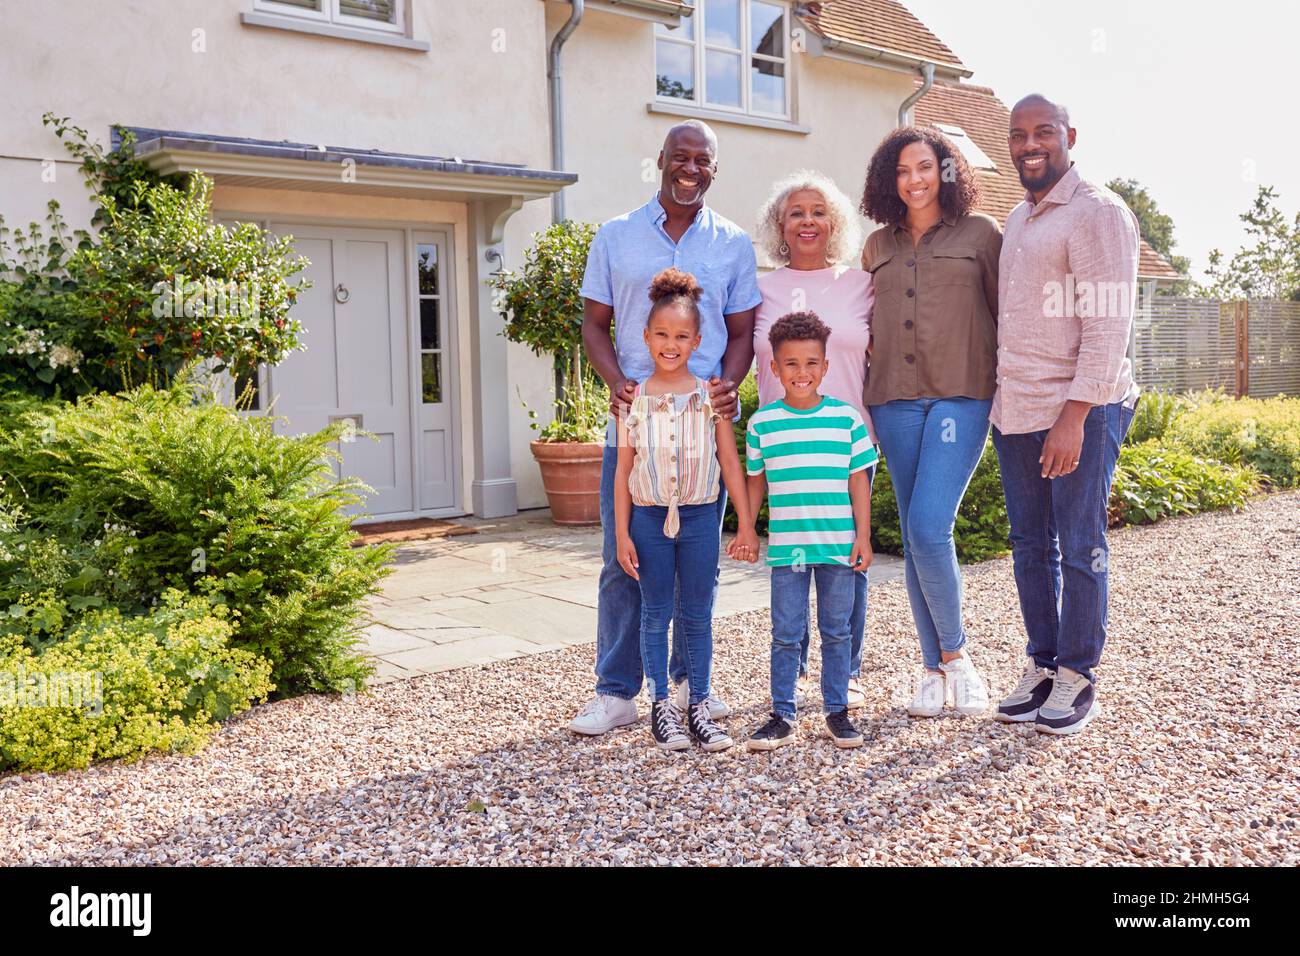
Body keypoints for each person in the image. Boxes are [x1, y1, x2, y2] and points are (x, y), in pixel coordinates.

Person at [569, 120, 761, 736]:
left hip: (703, 432)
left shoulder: (732, 243)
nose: (690, 168)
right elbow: (594, 325)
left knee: (696, 565)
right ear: (660, 160)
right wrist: (611, 381)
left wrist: (730, 383)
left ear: (713, 169)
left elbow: (741, 334)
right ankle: (618, 691)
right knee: (622, 557)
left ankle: (687, 687)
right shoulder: (616, 236)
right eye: (680, 157)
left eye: (702, 160)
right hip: (635, 423)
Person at [990, 95, 1140, 735]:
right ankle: (1044, 662)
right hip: (1017, 410)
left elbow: (1109, 326)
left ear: (1069, 136)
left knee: (1080, 546)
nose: (1030, 144)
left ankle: (1078, 674)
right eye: (1019, 134)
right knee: (1030, 546)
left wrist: (1076, 414)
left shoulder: (1097, 213)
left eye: (1043, 132)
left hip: (1082, 407)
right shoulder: (1020, 220)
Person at [859, 127, 1002, 717]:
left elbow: (1005, 313)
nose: (914, 179)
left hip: (960, 396)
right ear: (888, 182)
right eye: (901, 171)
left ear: (946, 170)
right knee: (919, 539)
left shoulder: (983, 234)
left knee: (925, 526)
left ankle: (959, 658)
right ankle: (932, 668)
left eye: (925, 167)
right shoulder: (874, 247)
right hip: (892, 399)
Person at [614, 269, 759, 752]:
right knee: (655, 613)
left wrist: (744, 523)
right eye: (661, 334)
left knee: (696, 614)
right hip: (649, 519)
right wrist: (621, 535)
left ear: (697, 340)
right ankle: (661, 706)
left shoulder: (710, 397)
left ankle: (697, 705)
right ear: (646, 337)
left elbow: (731, 463)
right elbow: (622, 474)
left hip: (699, 518)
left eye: (681, 335)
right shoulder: (631, 401)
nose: (670, 344)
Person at [752, 170, 876, 711]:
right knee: (792, 559)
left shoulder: (861, 284)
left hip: (847, 440)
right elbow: (735, 350)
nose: (808, 220)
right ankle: (794, 671)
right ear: (781, 225)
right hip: (781, 445)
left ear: (836, 223)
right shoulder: (758, 287)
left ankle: (843, 673)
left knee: (847, 556)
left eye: (819, 211)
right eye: (797, 212)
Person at [742, 312, 878, 751]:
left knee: (837, 630)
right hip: (789, 550)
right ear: (774, 368)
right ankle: (782, 713)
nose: (802, 373)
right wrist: (747, 529)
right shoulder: (762, 424)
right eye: (792, 364)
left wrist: (864, 535)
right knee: (786, 632)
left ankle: (836, 711)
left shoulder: (847, 419)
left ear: (825, 366)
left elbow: (860, 478)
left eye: (811, 363)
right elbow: (755, 482)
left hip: (839, 547)